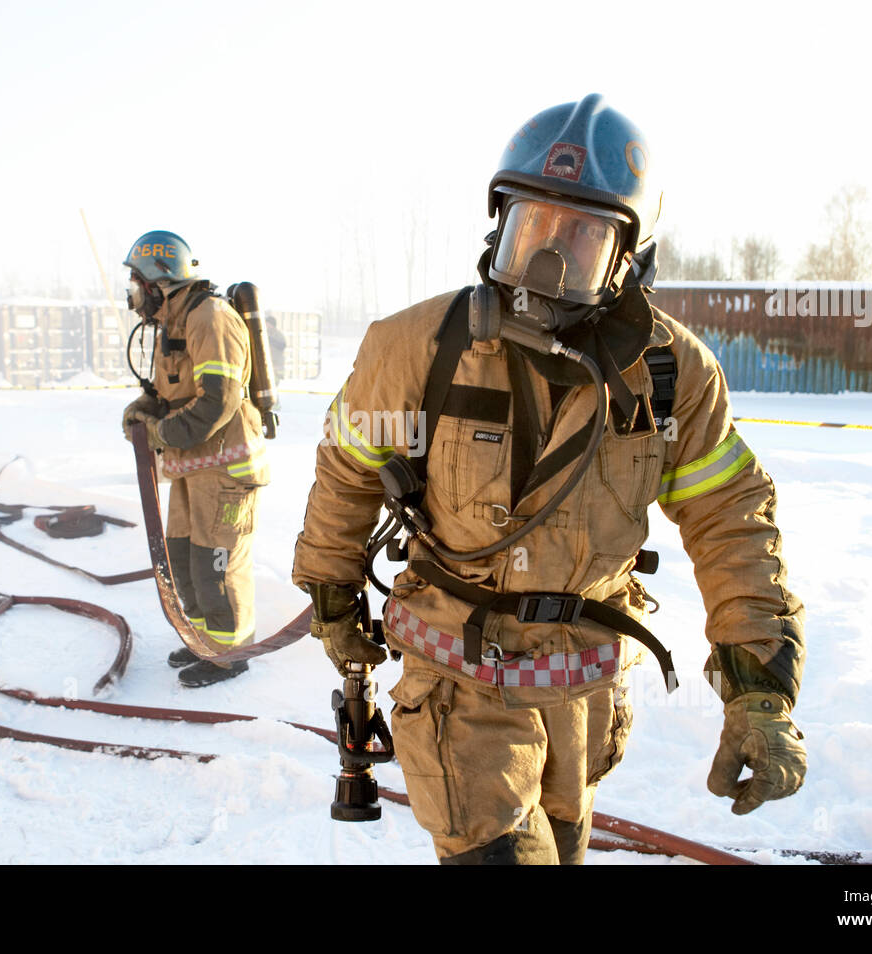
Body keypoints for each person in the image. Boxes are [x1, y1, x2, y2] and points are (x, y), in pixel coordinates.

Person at [291, 94, 807, 864]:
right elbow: (349, 471)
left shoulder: (668, 376)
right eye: (531, 227)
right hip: (459, 686)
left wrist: (759, 684)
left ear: (628, 260)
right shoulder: (418, 347)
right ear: (498, 226)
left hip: (582, 696)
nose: (546, 260)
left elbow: (731, 519)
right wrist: (332, 594)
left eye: (581, 237)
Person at [120, 231, 270, 688]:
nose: (134, 298)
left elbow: (217, 401)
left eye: (136, 286)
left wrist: (159, 434)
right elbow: (176, 394)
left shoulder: (211, 318)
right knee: (185, 558)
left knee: (215, 564)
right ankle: (203, 641)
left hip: (226, 468)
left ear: (157, 283)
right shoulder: (175, 323)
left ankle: (230, 654)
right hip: (192, 466)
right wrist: (145, 412)